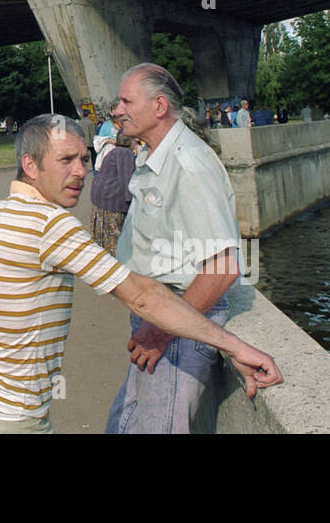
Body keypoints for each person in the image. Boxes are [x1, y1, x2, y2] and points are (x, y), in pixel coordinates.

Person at [0, 114, 281, 434]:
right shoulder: (49, 223)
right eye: (66, 161)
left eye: (84, 158)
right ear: (30, 166)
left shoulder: (0, 210)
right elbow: (143, 297)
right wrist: (234, 346)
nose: (80, 172)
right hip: (8, 413)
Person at [105, 64, 249, 434]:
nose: (116, 110)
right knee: (126, 424)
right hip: (159, 316)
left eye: (125, 101)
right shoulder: (157, 157)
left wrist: (161, 331)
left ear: (158, 106)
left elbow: (222, 267)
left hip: (176, 325)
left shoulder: (189, 164)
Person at [90, 117, 134, 252]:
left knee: (102, 240)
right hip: (112, 203)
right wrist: (132, 205)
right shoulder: (125, 154)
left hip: (100, 200)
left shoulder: (113, 152)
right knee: (115, 241)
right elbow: (127, 181)